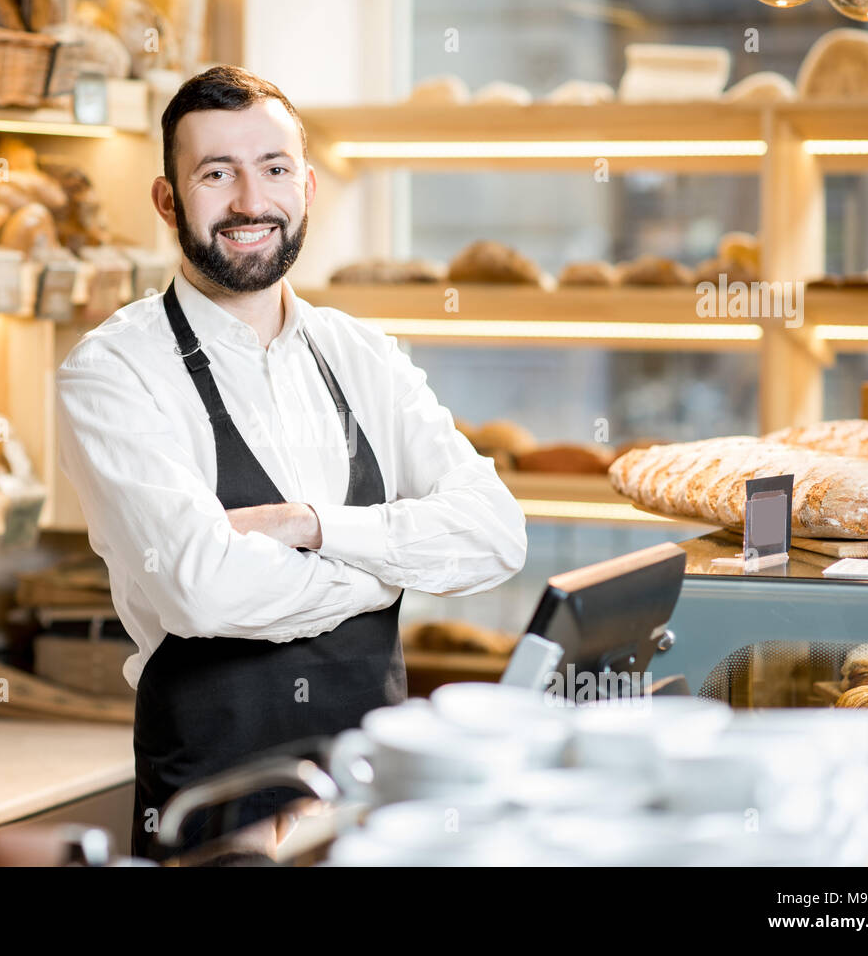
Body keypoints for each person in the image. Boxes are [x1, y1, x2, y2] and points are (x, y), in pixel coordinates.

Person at [56, 65, 528, 863]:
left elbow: (495, 534)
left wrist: (311, 527)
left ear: (306, 186)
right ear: (168, 201)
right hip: (217, 812)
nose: (250, 201)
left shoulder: (359, 352)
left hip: (372, 800)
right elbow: (203, 588)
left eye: (273, 169)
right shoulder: (115, 371)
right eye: (216, 173)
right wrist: (382, 569)